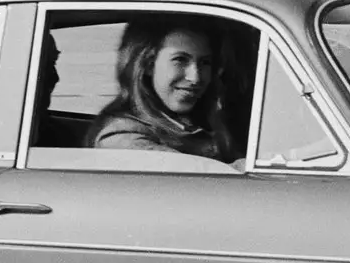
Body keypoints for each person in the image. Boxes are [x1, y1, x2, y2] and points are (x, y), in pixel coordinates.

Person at [87, 19, 237, 161]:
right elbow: (198, 178)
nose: (195, 78)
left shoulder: (198, 120)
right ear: (148, 65)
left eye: (205, 62)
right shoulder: (122, 137)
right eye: (180, 60)